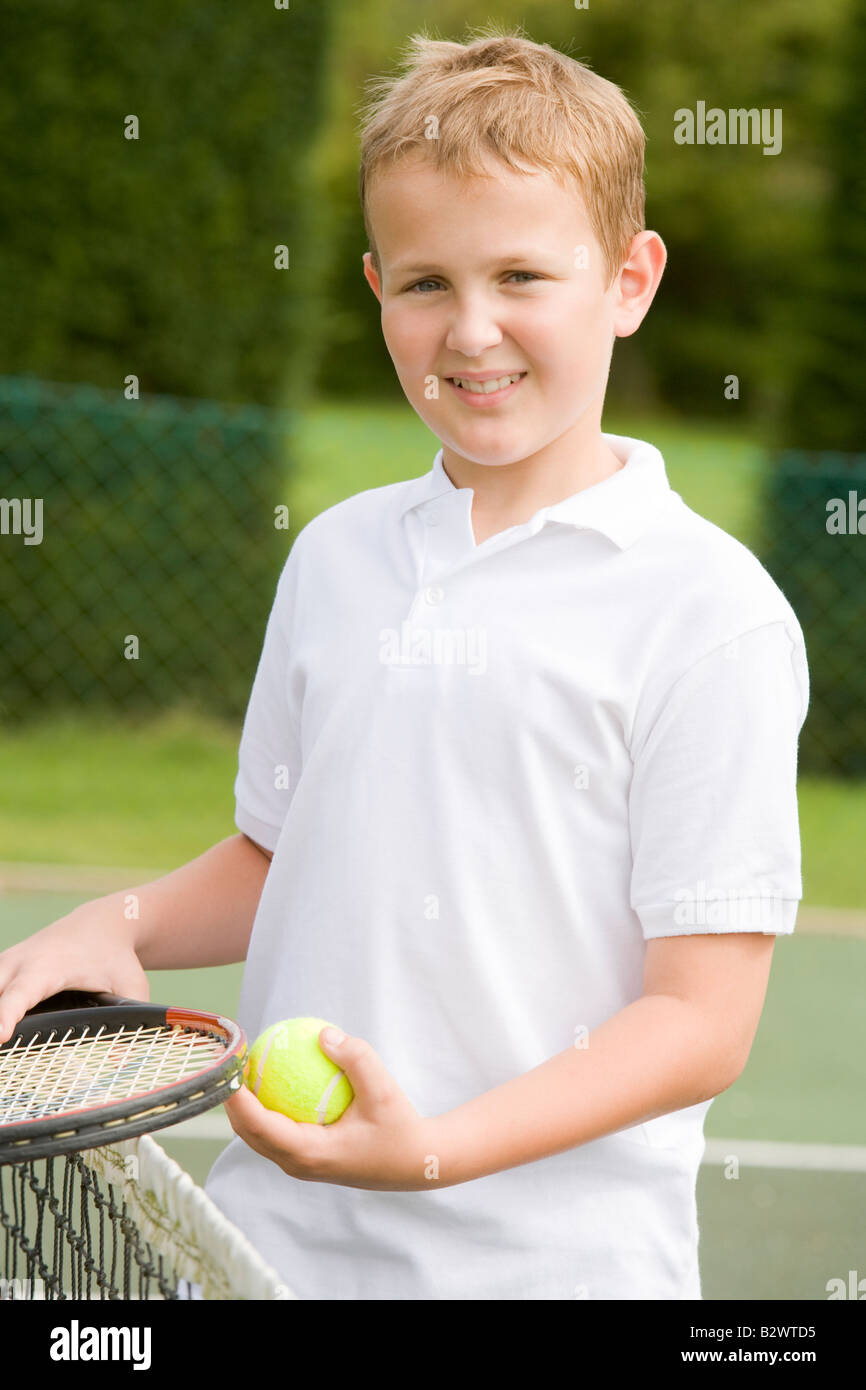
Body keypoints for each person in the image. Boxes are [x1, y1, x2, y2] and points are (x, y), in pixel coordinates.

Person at [0, 29, 809, 1300]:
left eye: (522, 274)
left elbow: (700, 1022)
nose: (470, 328)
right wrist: (126, 918)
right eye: (424, 282)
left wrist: (429, 1154)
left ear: (629, 280)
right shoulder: (333, 556)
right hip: (269, 1252)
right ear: (375, 285)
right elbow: (283, 851)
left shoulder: (709, 612)